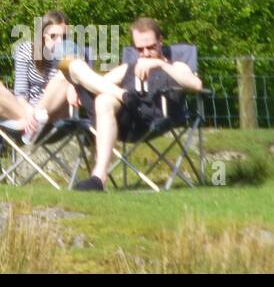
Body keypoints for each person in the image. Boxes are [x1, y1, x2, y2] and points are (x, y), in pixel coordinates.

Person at [60, 16, 203, 191]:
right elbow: (99, 83)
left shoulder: (175, 66)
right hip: (119, 120)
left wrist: (159, 64)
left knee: (104, 99)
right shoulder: (128, 67)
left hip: (147, 121)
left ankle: (98, 177)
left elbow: (196, 85)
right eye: (140, 49)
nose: (145, 53)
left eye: (151, 47)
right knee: (75, 66)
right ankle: (124, 95)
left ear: (161, 41)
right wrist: (73, 85)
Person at [0, 11, 80, 145]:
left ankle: (34, 123)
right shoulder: (26, 50)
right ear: (42, 36)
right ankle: (31, 124)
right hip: (24, 113)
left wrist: (73, 84)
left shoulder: (71, 52)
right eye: (53, 36)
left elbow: (79, 85)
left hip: (53, 118)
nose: (60, 41)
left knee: (64, 76)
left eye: (64, 36)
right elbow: (21, 94)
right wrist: (30, 114)